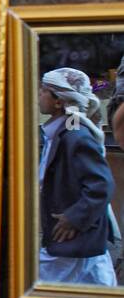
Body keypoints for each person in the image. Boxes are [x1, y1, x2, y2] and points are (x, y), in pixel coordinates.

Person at [38, 67, 117, 285]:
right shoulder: (62, 132)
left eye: (44, 90)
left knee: (37, 291)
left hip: (72, 241)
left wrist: (74, 218)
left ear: (58, 102)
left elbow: (102, 185)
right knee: (102, 290)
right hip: (81, 242)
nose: (39, 94)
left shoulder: (75, 136)